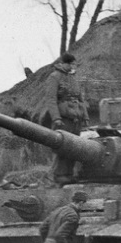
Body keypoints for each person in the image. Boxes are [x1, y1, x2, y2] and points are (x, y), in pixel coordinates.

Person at [40, 53, 89, 184]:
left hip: (76, 118)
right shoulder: (54, 77)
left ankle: (69, 174)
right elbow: (51, 99)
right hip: (64, 119)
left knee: (75, 148)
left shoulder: (73, 78)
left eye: (74, 64)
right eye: (72, 64)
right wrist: (56, 118)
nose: (74, 67)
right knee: (63, 147)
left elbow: (80, 99)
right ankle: (59, 175)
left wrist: (85, 116)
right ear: (65, 64)